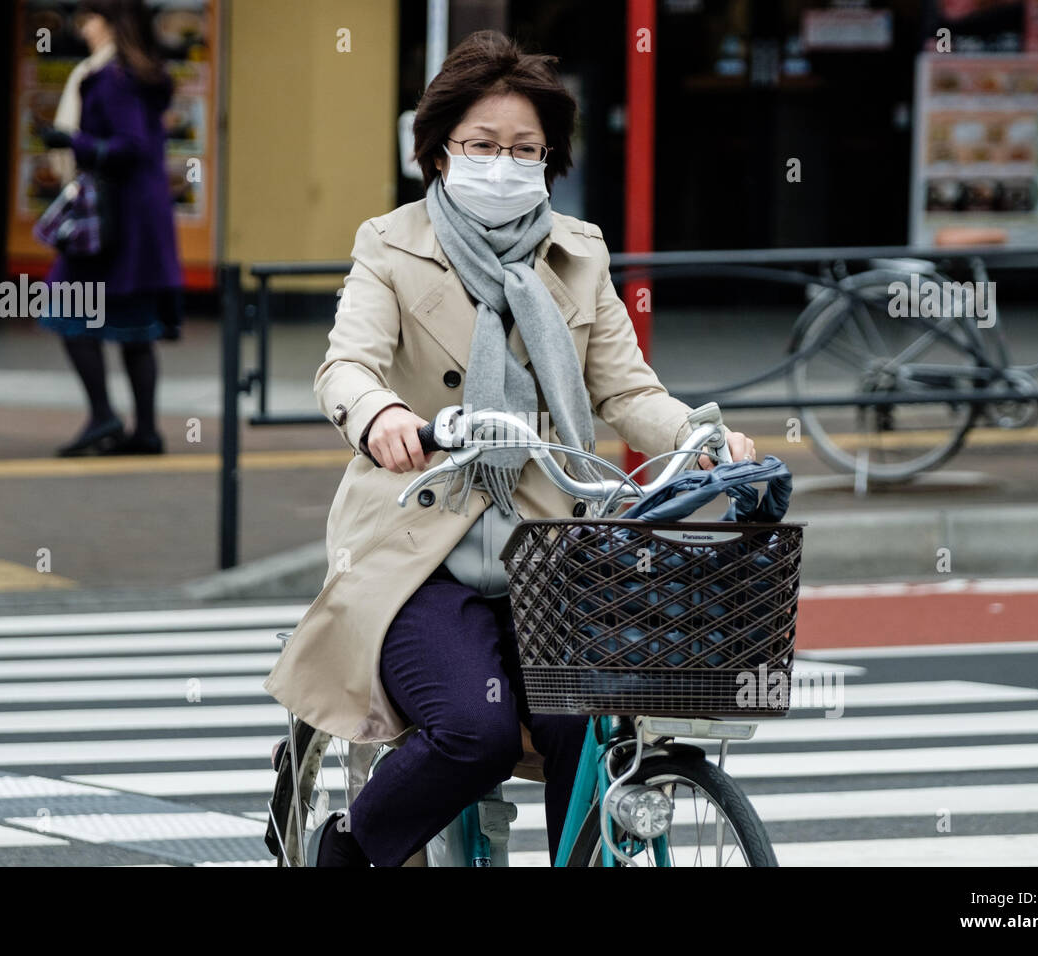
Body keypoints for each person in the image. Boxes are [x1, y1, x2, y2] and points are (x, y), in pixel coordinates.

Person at [262, 30, 756, 867]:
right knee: (476, 727)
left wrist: (697, 436)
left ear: (549, 158)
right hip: (423, 552)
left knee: (591, 724)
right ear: (441, 151)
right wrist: (383, 416)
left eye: (525, 149)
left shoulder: (580, 252)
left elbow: (625, 390)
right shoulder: (391, 244)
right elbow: (346, 364)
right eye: (483, 145)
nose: (504, 164)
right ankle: (349, 851)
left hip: (549, 555)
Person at [35, 0, 183, 456]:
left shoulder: (113, 79)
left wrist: (71, 141)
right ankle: (145, 431)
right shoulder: (138, 75)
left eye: (90, 21)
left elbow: (130, 146)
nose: (83, 31)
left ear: (111, 24)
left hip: (111, 221)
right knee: (135, 326)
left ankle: (104, 416)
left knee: (65, 307)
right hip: (139, 222)